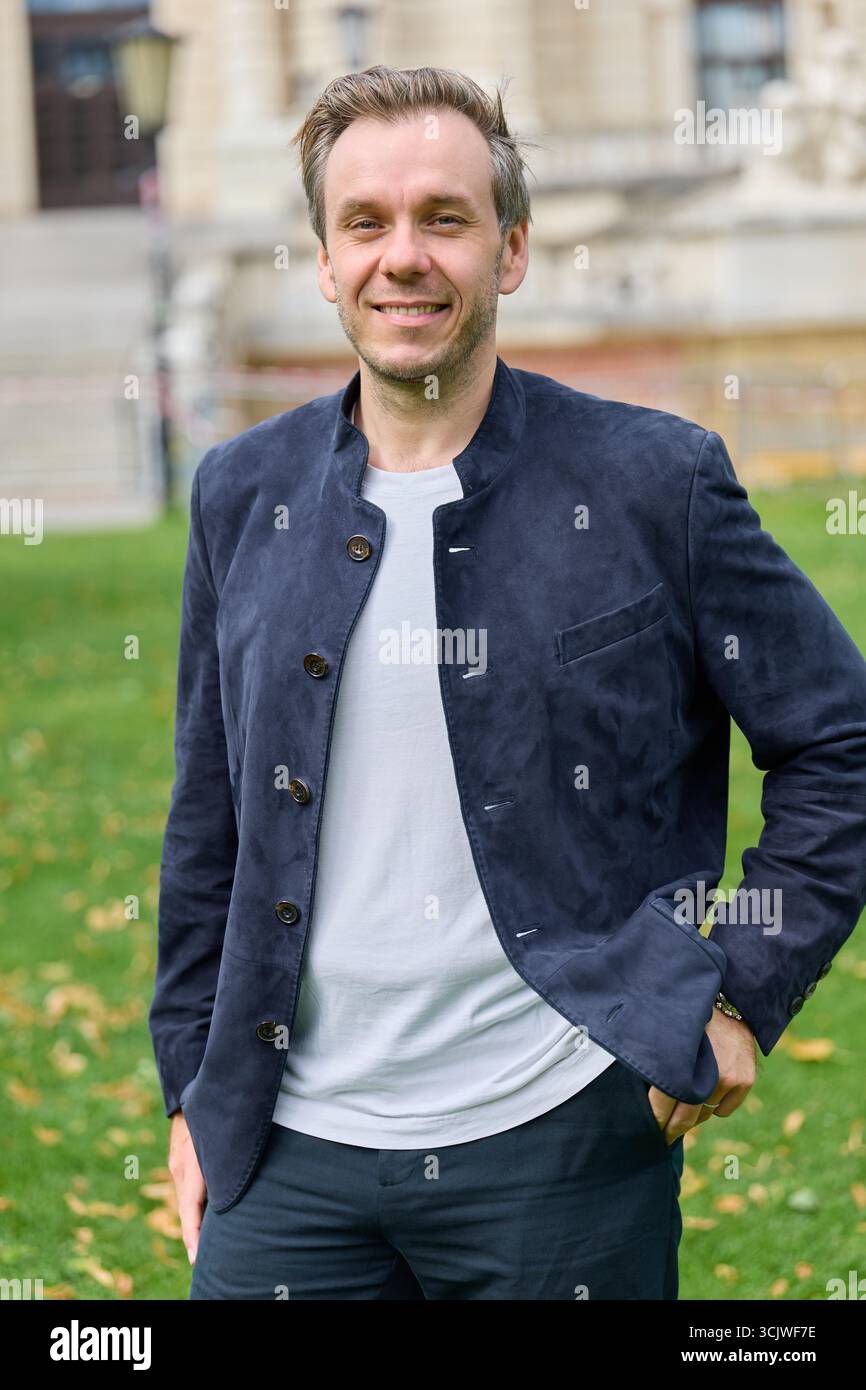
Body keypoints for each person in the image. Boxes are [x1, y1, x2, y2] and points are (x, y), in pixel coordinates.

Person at [149, 64, 866, 1301]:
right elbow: (208, 821)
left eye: (445, 218)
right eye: (364, 224)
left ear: (512, 248)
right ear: (324, 262)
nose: (402, 257)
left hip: (562, 1139)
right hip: (289, 1157)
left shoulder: (654, 481)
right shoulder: (239, 493)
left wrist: (741, 991)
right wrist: (190, 1089)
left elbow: (837, 740)